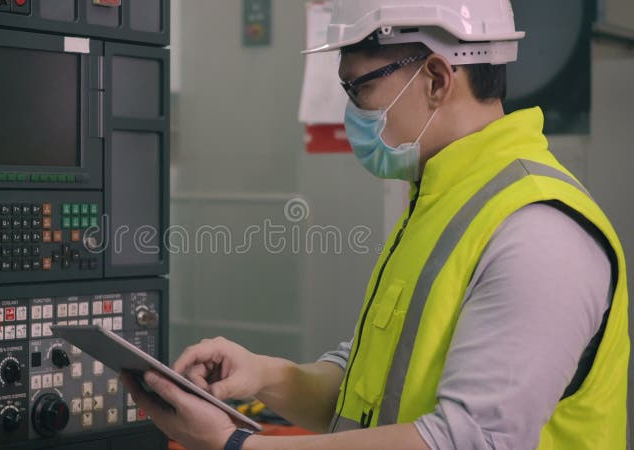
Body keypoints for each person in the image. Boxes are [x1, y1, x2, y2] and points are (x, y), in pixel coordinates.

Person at [120, 1, 631, 449]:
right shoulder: (440, 199)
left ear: (436, 78)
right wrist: (264, 375)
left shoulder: (538, 230)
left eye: (358, 88)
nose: (352, 114)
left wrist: (236, 446)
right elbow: (373, 386)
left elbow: (471, 440)